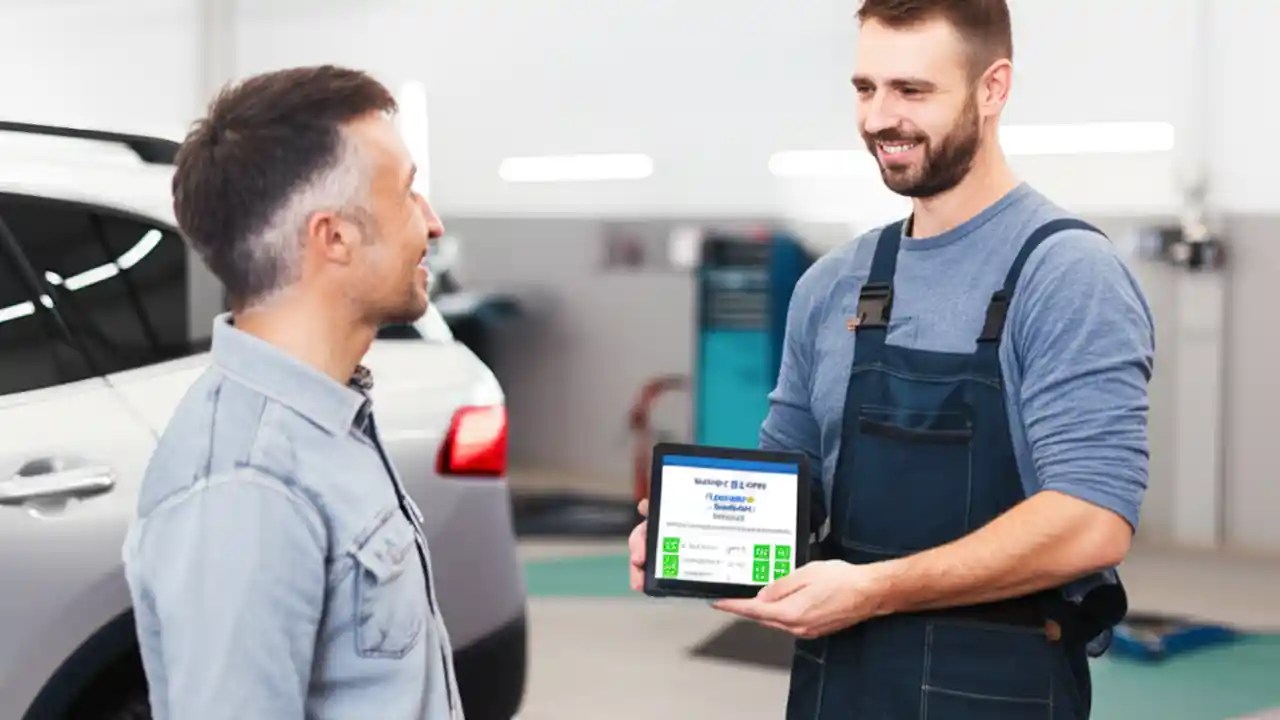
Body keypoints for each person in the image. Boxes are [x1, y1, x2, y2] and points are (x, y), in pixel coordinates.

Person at [629, 0, 1155, 717]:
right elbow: (794, 478)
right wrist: (690, 541)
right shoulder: (833, 284)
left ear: (992, 88)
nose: (880, 118)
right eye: (865, 88)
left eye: (912, 91)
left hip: (1000, 689)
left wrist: (876, 589)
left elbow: (1091, 520)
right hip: (838, 683)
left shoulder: (1066, 273)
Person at [121, 65, 463, 719]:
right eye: (408, 194)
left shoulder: (326, 421)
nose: (433, 223)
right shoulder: (246, 487)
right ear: (332, 237)